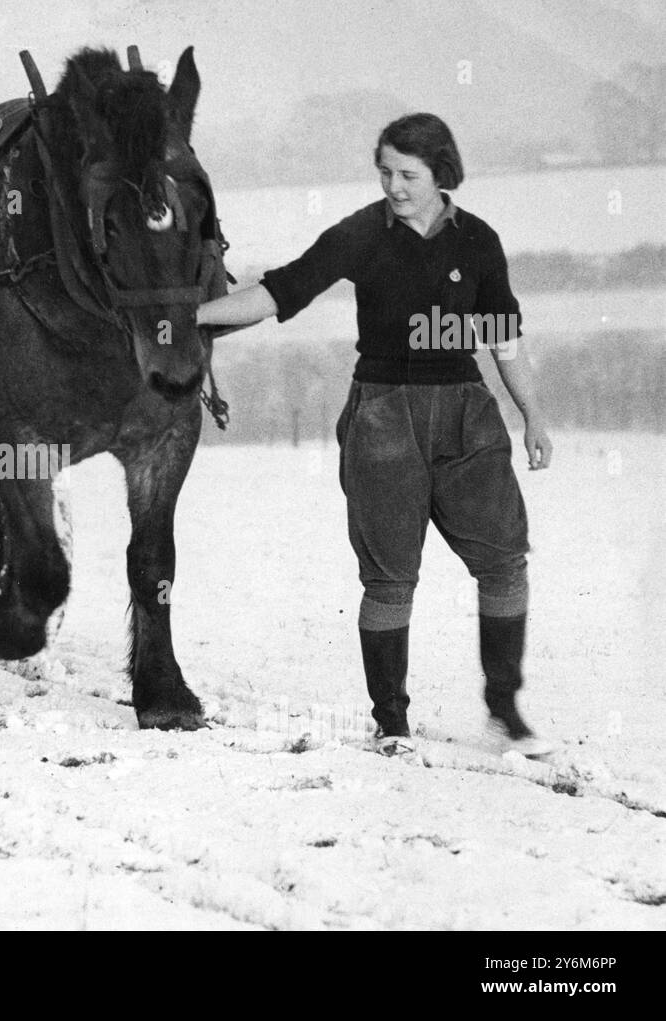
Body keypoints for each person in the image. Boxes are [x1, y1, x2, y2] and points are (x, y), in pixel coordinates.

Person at [198, 113, 554, 760]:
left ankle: (505, 712)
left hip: (467, 412)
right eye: (384, 171)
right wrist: (191, 320)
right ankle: (391, 724)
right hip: (383, 414)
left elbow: (504, 340)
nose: (393, 186)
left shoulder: (478, 241)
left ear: (442, 174)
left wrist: (532, 414)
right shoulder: (362, 233)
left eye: (408, 174)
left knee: (505, 561)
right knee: (390, 580)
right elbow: (282, 291)